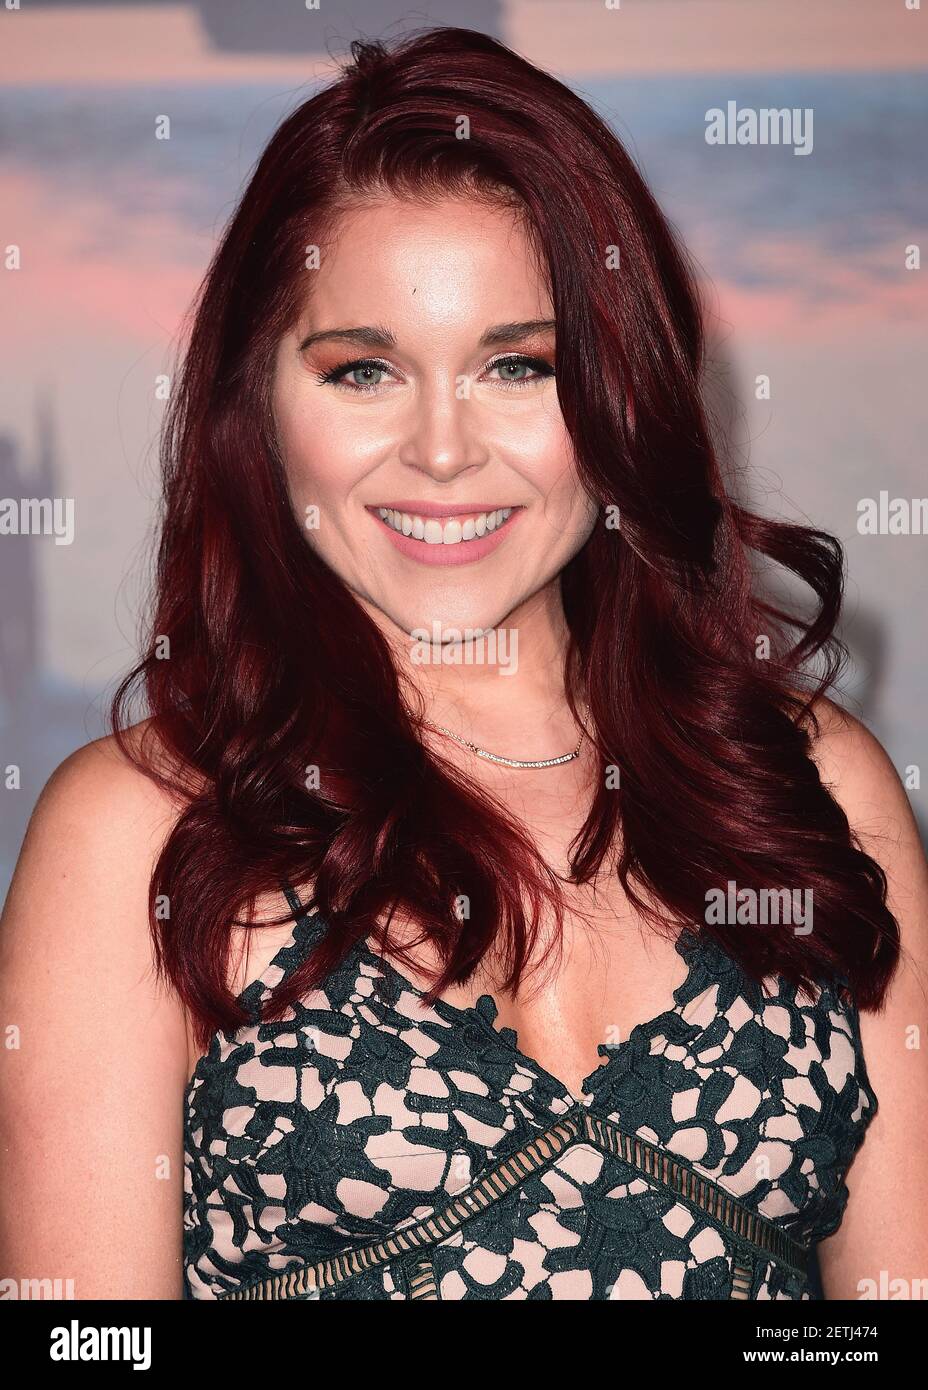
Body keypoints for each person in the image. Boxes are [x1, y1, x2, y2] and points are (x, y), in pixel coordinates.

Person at [1, 26, 926, 1303]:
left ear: (619, 391)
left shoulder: (814, 788)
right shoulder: (133, 834)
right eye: (364, 369)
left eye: (517, 366)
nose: (441, 451)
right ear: (256, 405)